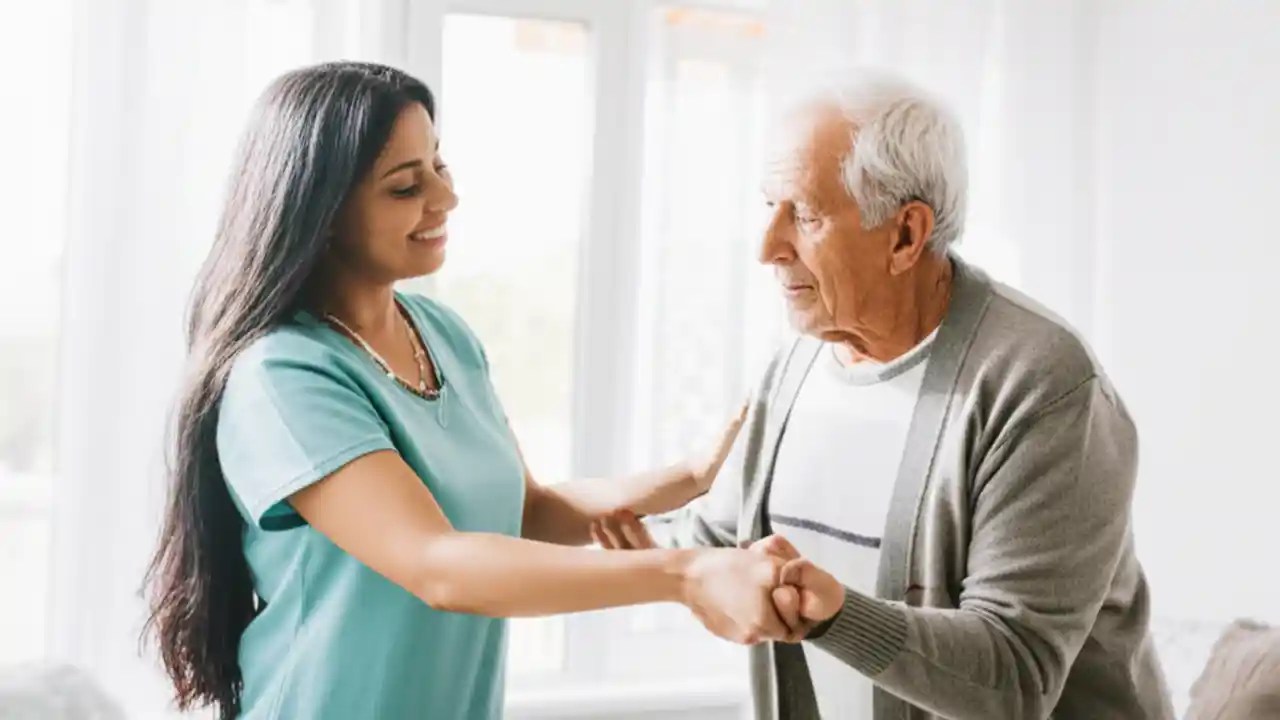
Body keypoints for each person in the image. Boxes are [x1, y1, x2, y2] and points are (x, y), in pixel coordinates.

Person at [142, 61, 799, 720]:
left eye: (439, 166)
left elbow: (526, 512)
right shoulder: (282, 376)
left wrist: (692, 475)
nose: (444, 198)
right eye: (405, 186)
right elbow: (440, 565)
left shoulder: (442, 335)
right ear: (323, 210)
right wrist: (683, 576)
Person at [593, 72, 1175, 719]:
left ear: (905, 235)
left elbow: (1015, 673)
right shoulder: (797, 363)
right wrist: (643, 554)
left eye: (806, 215)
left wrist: (834, 614)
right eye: (769, 208)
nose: (767, 249)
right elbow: (722, 540)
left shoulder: (1041, 385)